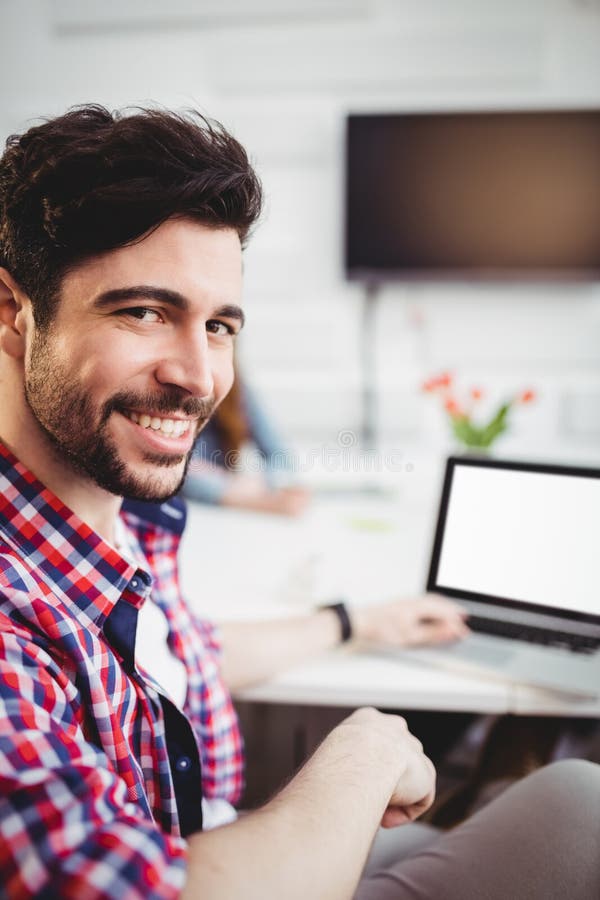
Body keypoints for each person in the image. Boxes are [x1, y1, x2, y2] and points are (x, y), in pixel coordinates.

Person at [0, 105, 598, 900]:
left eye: (219, 326)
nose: (200, 375)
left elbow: (175, 658)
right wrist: (365, 754)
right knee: (577, 803)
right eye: (144, 311)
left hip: (214, 829)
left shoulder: (118, 508)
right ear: (14, 313)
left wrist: (356, 622)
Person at [182, 360, 310, 515]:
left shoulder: (238, 391)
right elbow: (175, 468)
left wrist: (273, 485)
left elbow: (280, 454)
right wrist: (234, 491)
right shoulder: (177, 383)